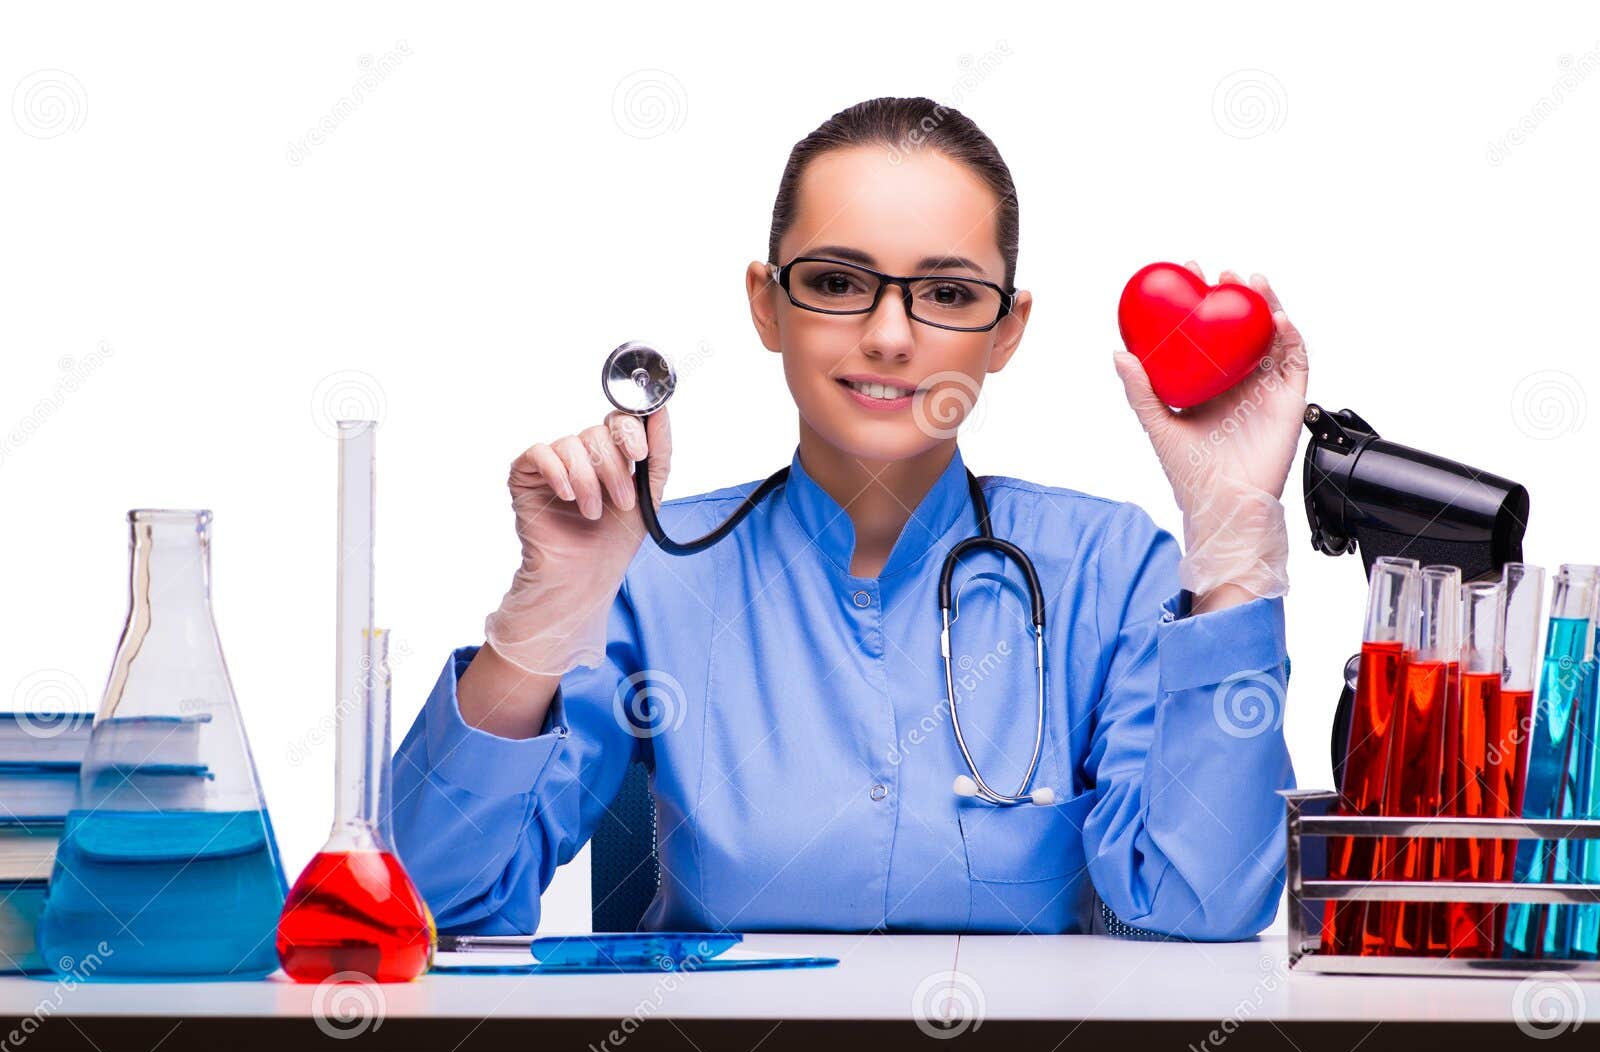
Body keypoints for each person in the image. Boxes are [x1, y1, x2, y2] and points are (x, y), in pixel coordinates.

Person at [391, 96, 1306, 939]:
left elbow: (1201, 903)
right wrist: (543, 617)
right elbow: (429, 910)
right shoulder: (654, 575)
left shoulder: (1107, 568)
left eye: (947, 294)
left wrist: (1232, 554)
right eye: (836, 282)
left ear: (1007, 329)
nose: (890, 335)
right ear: (766, 304)